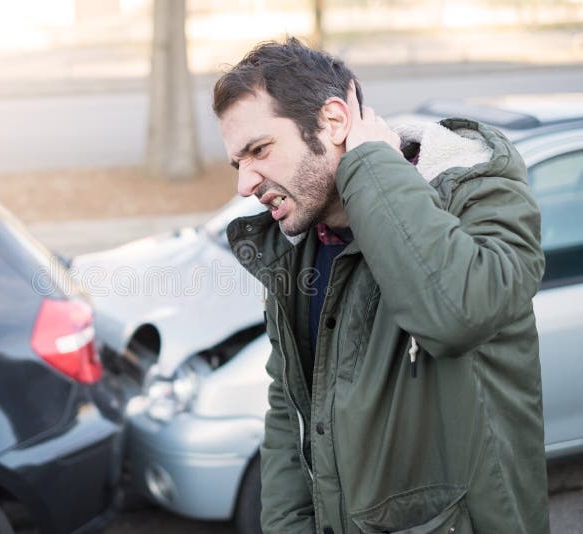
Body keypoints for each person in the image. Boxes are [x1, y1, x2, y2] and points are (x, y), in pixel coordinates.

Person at [212, 37, 548, 534]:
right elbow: (290, 409)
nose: (245, 183)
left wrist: (368, 163)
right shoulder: (300, 246)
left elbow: (457, 313)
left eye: (259, 150)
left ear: (334, 122)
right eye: (238, 163)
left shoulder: (472, 194)